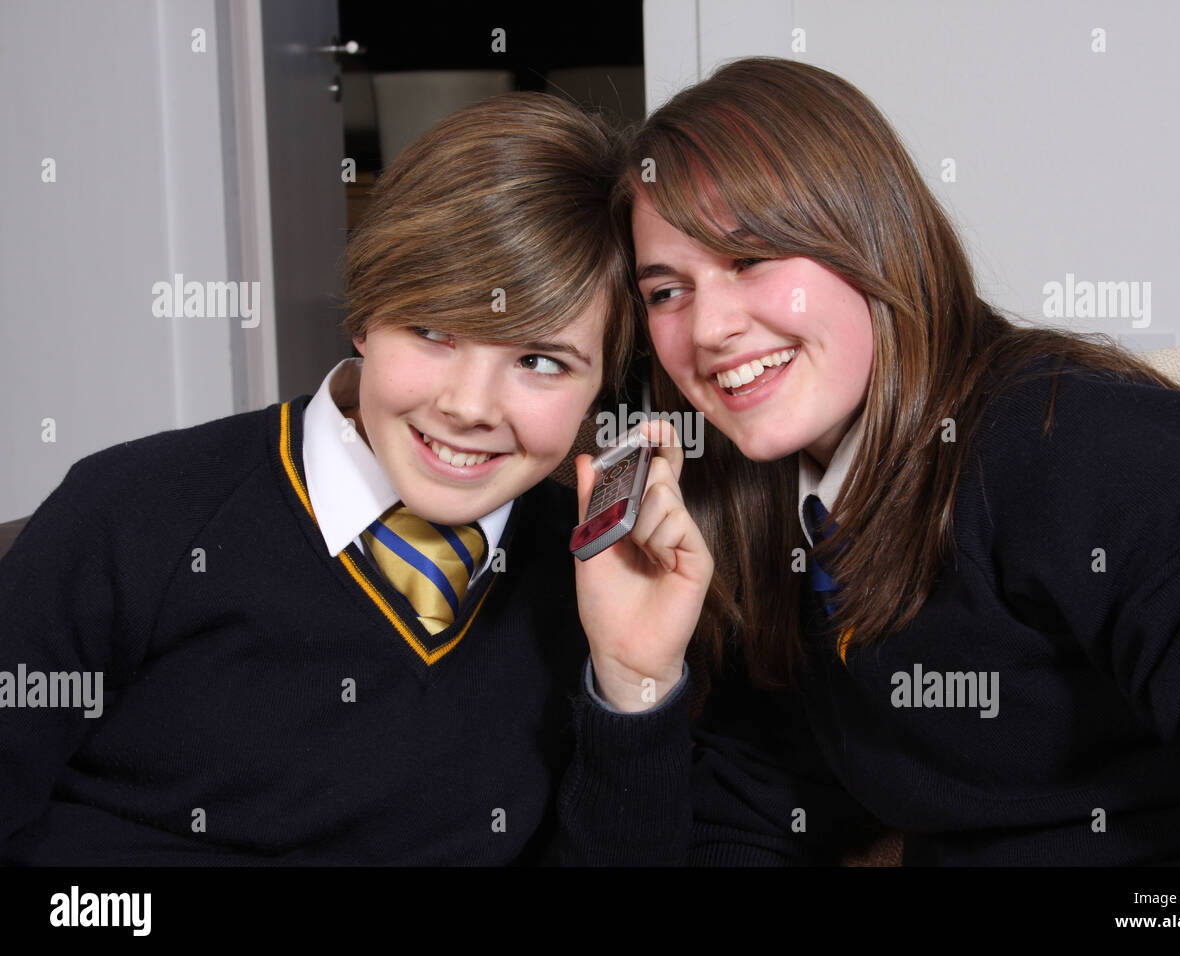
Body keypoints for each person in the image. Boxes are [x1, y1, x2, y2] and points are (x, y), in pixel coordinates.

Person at [614, 57, 1180, 865]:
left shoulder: (1073, 441)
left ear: (872, 240)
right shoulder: (775, 514)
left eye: (750, 258)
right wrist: (633, 684)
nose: (707, 329)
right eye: (667, 291)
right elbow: (756, 799)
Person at [0, 93, 703, 865]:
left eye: (540, 362)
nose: (467, 407)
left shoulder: (603, 585)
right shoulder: (130, 515)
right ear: (365, 315)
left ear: (604, 389)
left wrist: (633, 686)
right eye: (433, 332)